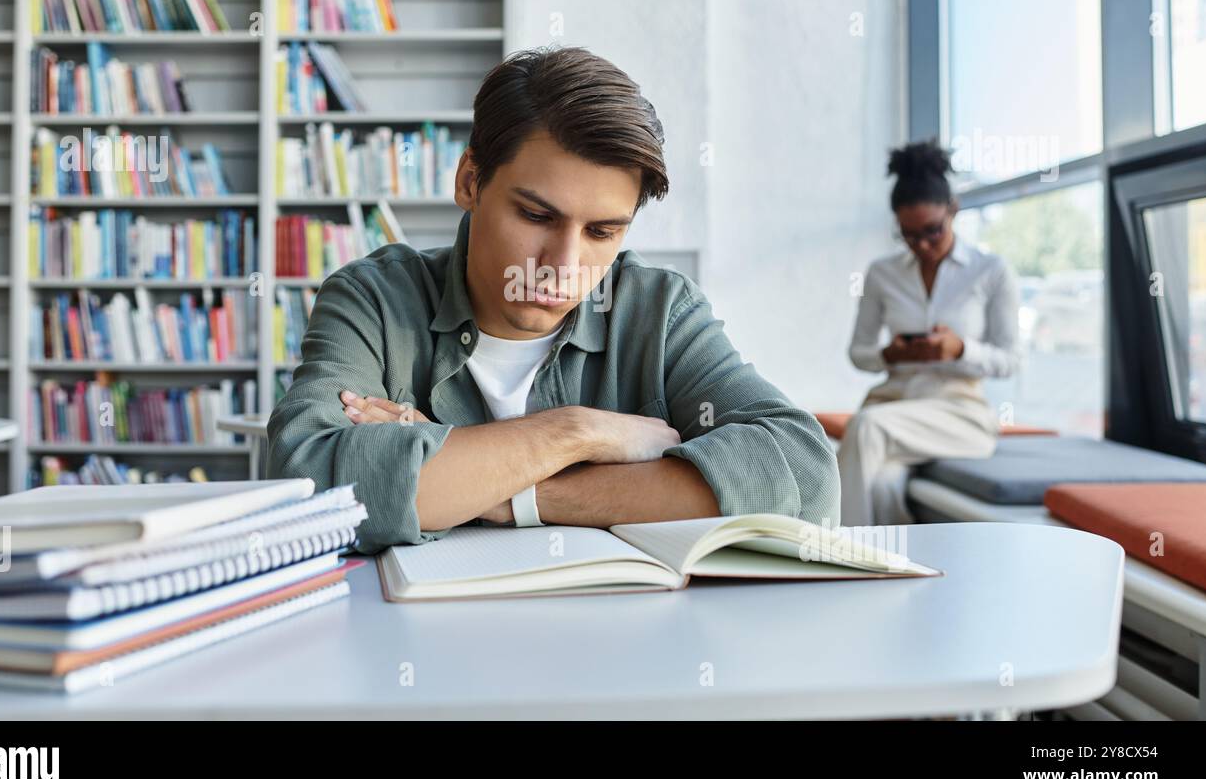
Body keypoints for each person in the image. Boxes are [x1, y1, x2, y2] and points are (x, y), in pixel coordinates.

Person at [268, 45, 840, 554]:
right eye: (538, 216)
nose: (565, 267)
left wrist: (501, 494)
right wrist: (578, 433)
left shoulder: (659, 312)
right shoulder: (374, 299)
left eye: (602, 232)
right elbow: (317, 486)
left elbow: (805, 476)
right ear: (470, 181)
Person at [839, 139, 1021, 527]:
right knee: (884, 487)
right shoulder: (882, 274)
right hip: (895, 405)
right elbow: (859, 352)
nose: (922, 245)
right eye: (908, 235)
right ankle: (888, 576)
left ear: (953, 210)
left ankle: (837, 554)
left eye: (932, 232)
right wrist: (893, 354)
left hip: (959, 413)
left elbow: (1011, 361)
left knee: (865, 428)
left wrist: (960, 350)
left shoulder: (990, 270)